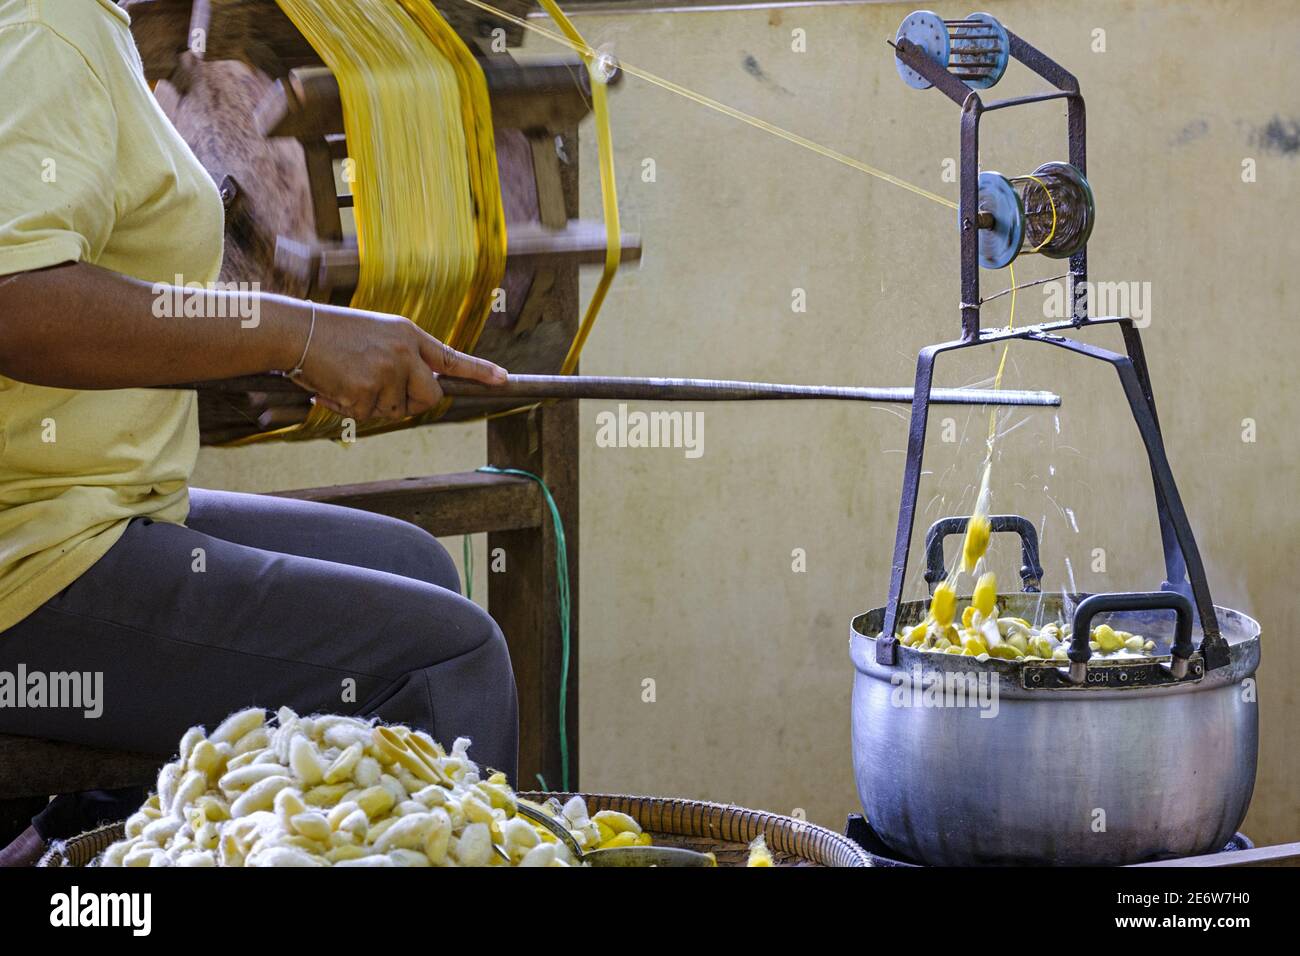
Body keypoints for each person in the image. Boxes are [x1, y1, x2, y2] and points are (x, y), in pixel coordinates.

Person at [0, 0, 518, 863]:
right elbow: (16, 300)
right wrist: (299, 335)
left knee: (416, 567)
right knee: (444, 660)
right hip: (30, 555)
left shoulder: (85, 26)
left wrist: (306, 336)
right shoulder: (49, 25)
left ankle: (132, 839)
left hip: (87, 507)